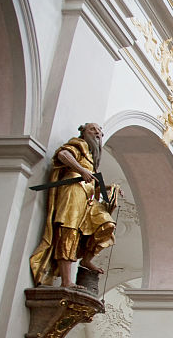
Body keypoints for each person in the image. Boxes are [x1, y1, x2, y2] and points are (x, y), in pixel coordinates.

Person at [29, 123, 120, 288]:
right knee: (70, 230)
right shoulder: (80, 145)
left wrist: (109, 187)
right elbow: (63, 155)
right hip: (73, 190)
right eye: (93, 130)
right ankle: (66, 281)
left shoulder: (92, 158)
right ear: (83, 132)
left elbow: (94, 184)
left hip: (88, 196)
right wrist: (81, 170)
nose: (97, 133)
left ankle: (86, 260)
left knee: (106, 225)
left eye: (99, 131)